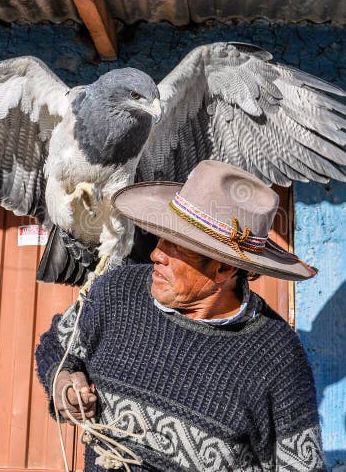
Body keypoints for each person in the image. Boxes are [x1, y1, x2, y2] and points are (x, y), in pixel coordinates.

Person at [36, 160, 325, 471]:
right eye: (161, 237)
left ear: (224, 268)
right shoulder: (116, 291)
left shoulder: (277, 358)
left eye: (176, 247)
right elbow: (56, 347)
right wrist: (64, 381)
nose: (155, 254)